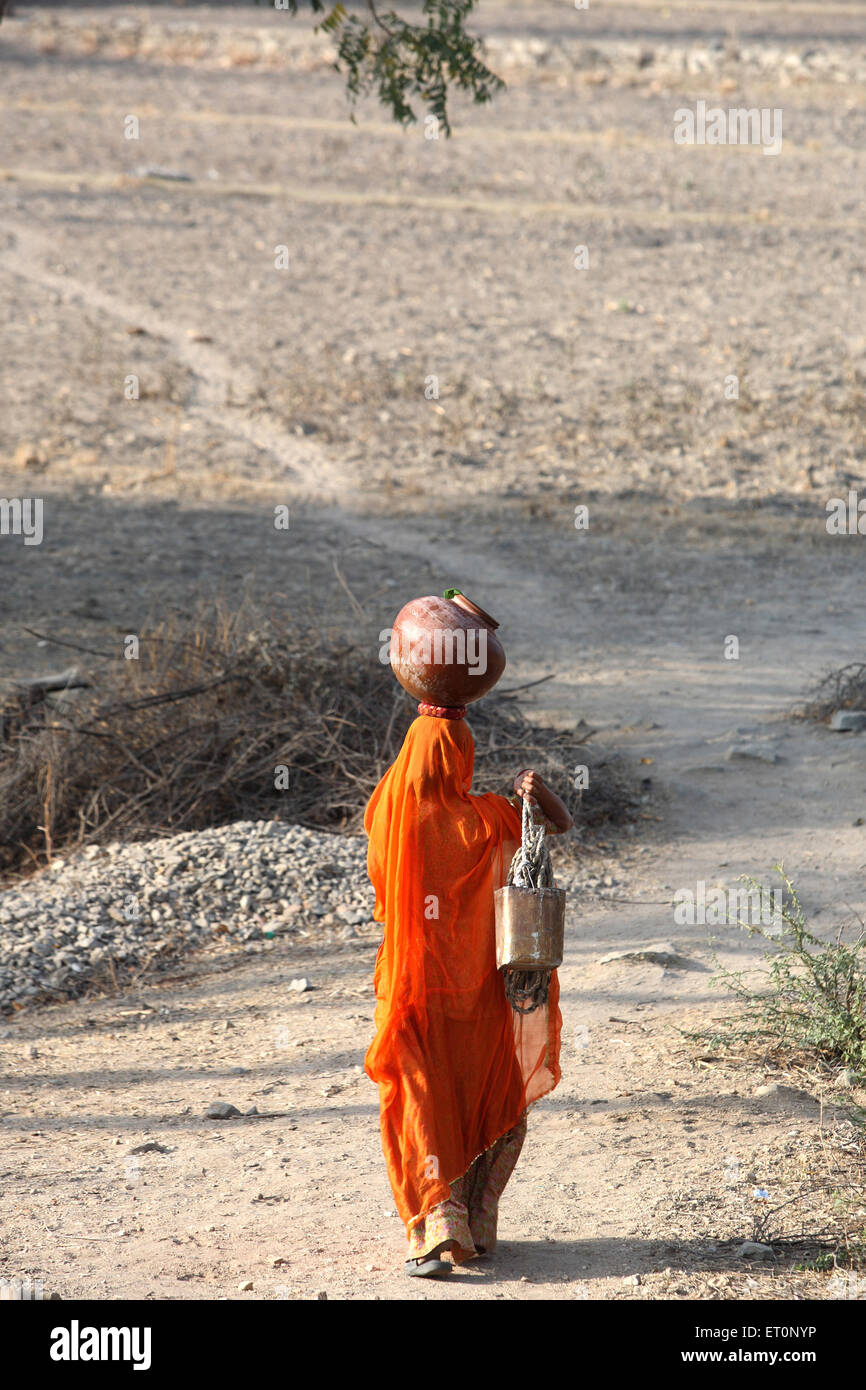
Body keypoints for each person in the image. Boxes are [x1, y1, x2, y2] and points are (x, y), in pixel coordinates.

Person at [364, 710, 572, 1277]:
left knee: (418, 1099)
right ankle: (471, 1222)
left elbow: (382, 881)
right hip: (481, 997)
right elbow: (559, 822)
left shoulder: (390, 812)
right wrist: (538, 790)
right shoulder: (488, 817)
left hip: (414, 994)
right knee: (473, 1093)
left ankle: (436, 1225)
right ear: (463, 758)